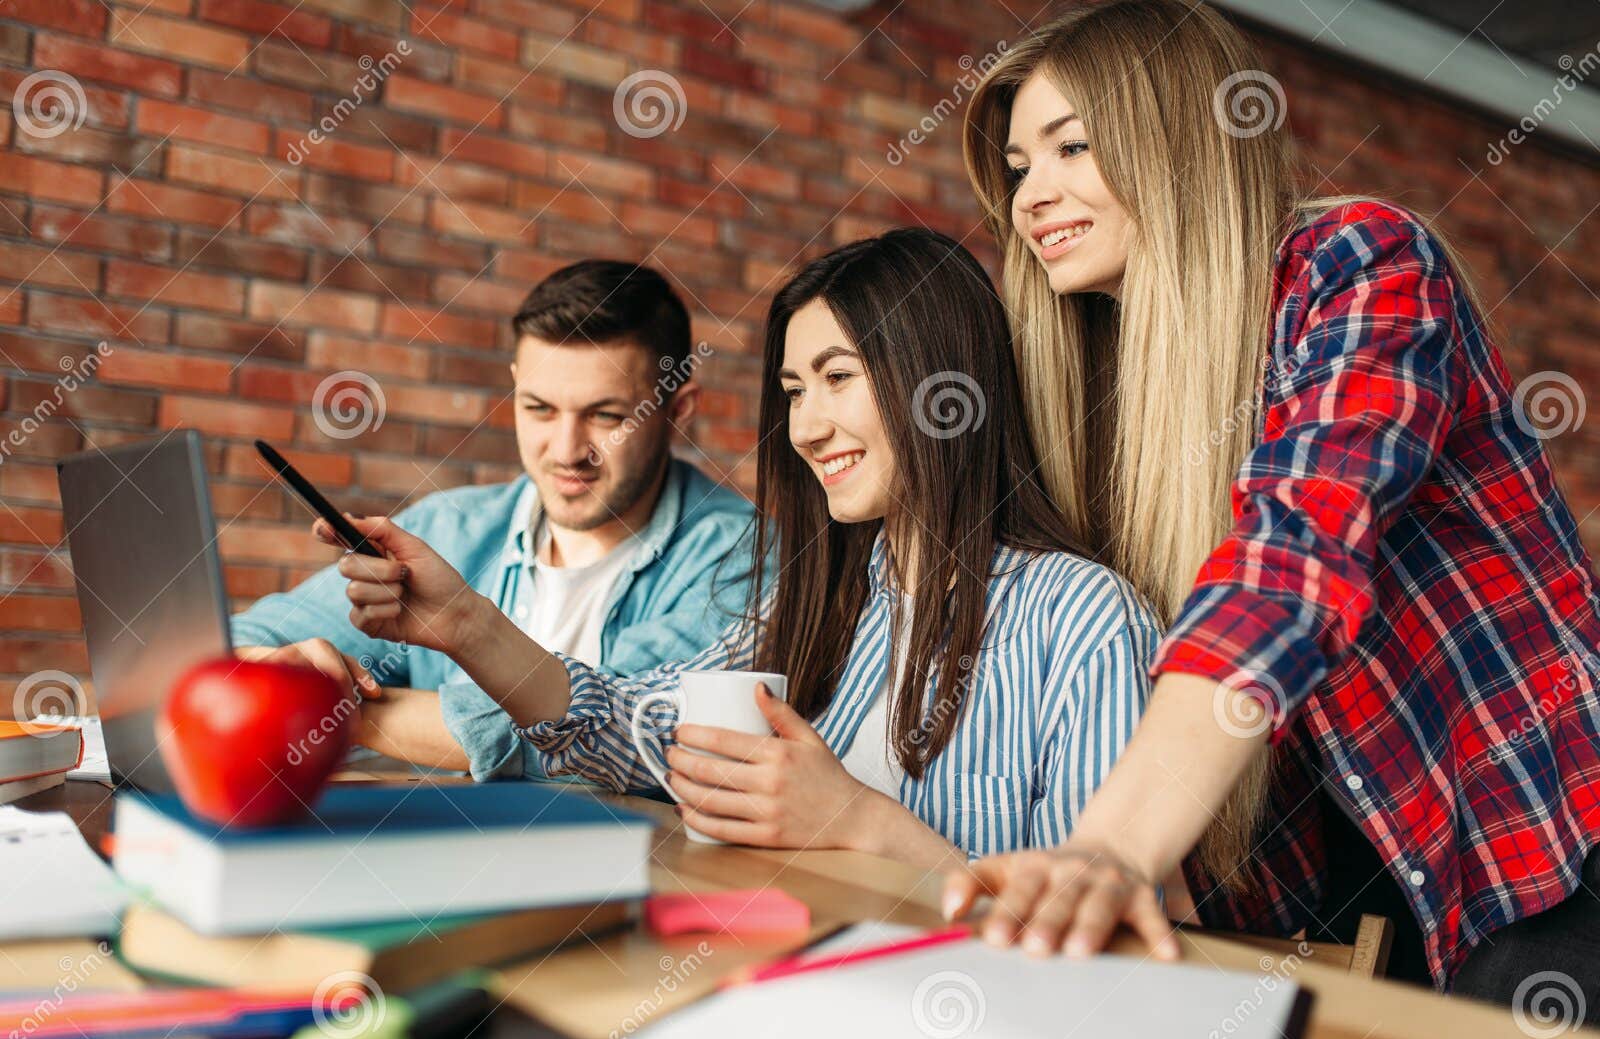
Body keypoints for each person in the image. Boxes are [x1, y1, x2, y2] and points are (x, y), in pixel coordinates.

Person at [944, 0, 1600, 1012]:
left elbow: (1296, 548)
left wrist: (1113, 847)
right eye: (1019, 166)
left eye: (1071, 146)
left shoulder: (1359, 262)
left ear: (1174, 138)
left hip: (1531, 841)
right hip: (1329, 895)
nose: (1033, 194)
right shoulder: (1107, 388)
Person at [320, 228, 1165, 876]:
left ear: (941, 383)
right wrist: (464, 623)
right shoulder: (821, 603)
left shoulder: (1083, 619)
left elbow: (1093, 939)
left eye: (838, 378)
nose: (806, 428)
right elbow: (628, 727)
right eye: (795, 392)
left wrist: (858, 822)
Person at [232, 260, 755, 782]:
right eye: (539, 408)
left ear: (678, 408)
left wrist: (337, 706)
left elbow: (619, 733)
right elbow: (233, 644)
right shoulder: (448, 528)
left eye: (606, 416)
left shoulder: (739, 557)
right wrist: (281, 669)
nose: (567, 451)